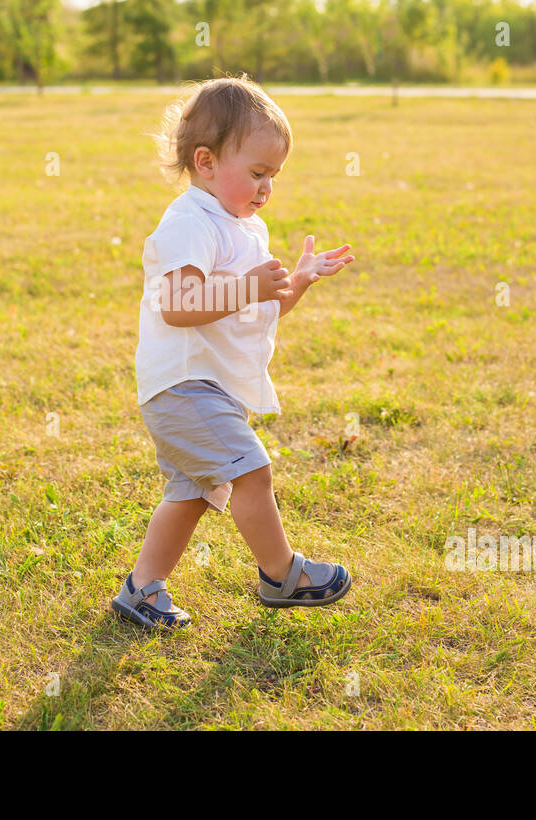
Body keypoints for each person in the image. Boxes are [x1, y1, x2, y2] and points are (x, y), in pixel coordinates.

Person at [112, 75, 356, 630]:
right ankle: (282, 575)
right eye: (257, 173)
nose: (267, 187)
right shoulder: (189, 221)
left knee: (193, 494)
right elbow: (178, 304)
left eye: (274, 176)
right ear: (205, 162)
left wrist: (296, 282)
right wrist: (249, 285)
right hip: (182, 384)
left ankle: (141, 590)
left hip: (208, 386)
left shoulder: (248, 227)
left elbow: (258, 310)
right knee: (252, 472)